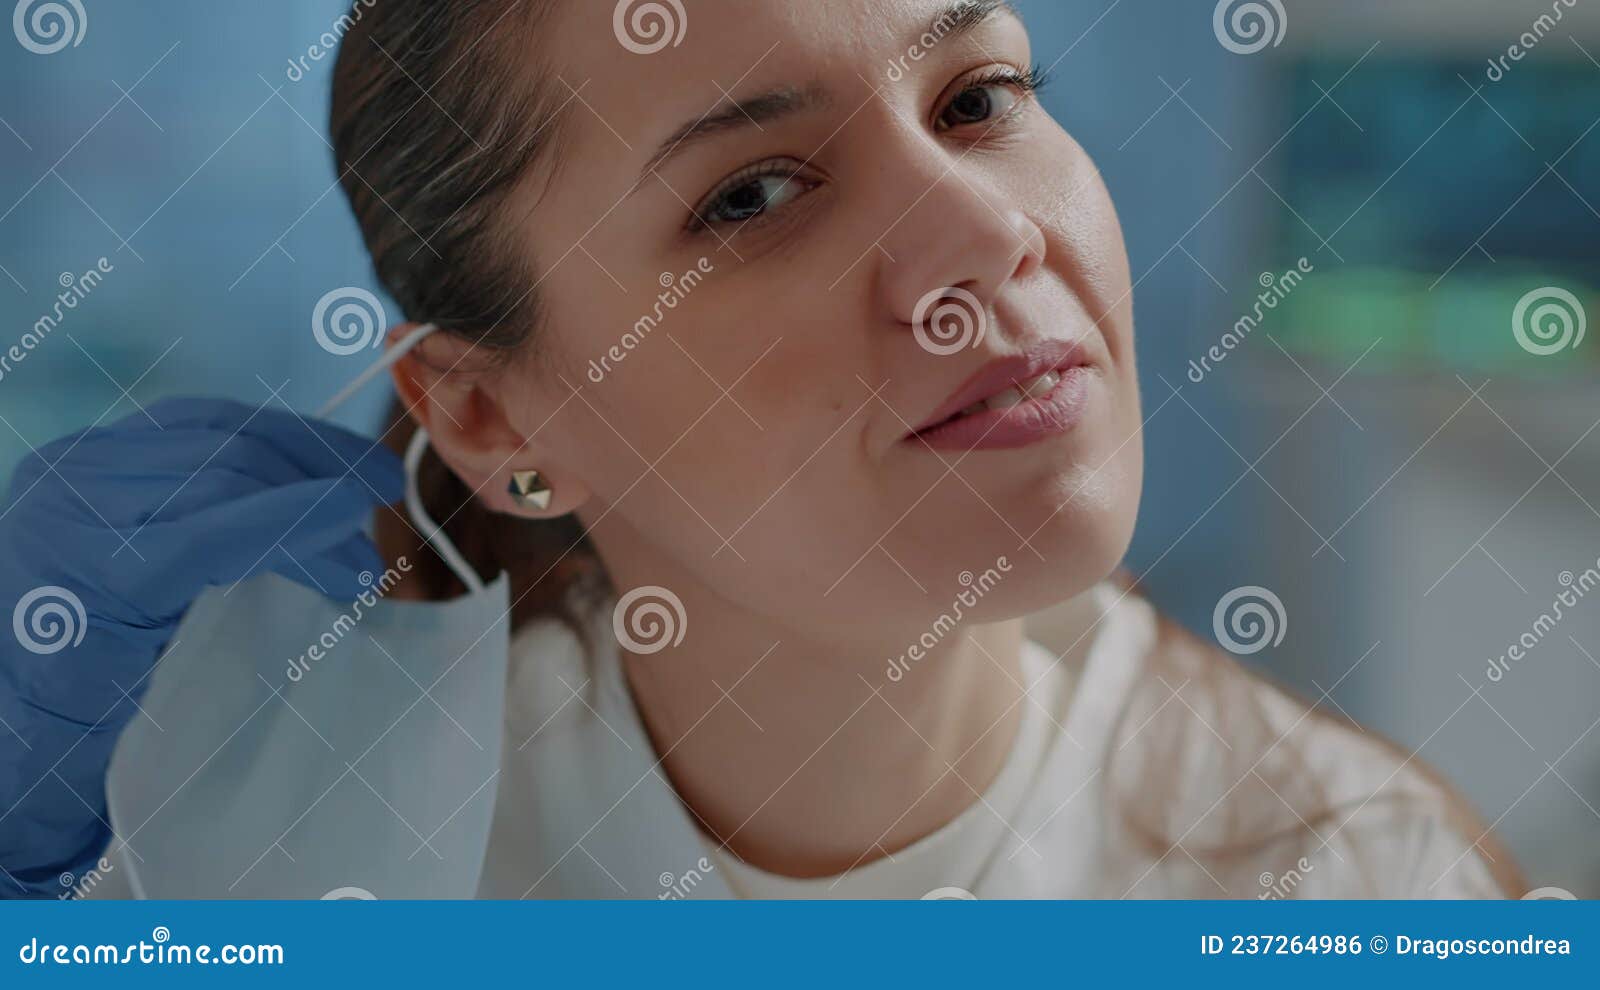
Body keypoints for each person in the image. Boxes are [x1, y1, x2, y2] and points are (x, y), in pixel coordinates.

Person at [0, 0, 1520, 900]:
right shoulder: (256, 831)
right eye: (753, 196)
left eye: (978, 98)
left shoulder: (1349, 878)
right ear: (491, 415)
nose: (991, 230)